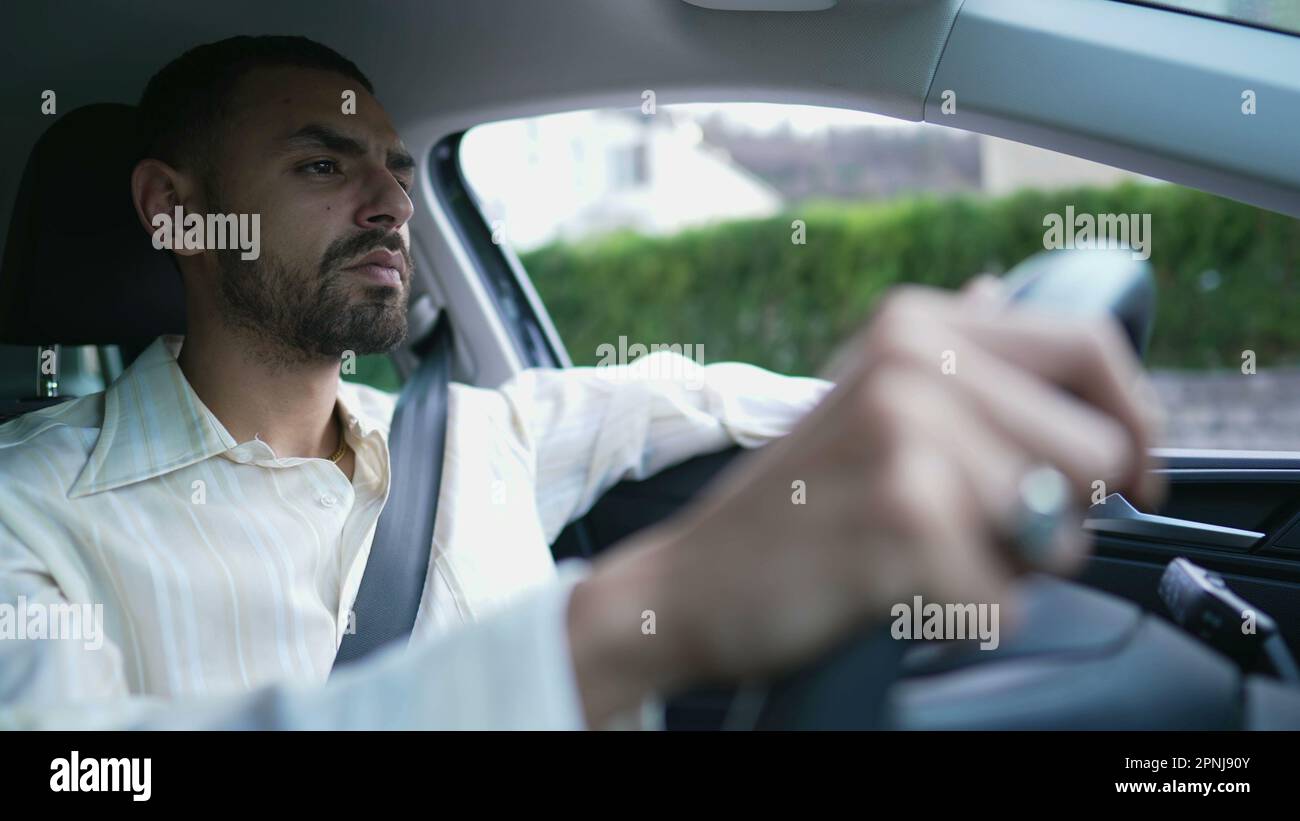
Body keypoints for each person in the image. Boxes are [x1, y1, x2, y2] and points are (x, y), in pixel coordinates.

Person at [0, 35, 1163, 730]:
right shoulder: (26, 516)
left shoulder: (484, 435)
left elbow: (677, 394)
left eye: (396, 174)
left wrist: (935, 395)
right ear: (177, 210)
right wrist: (612, 629)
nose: (391, 205)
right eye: (321, 164)